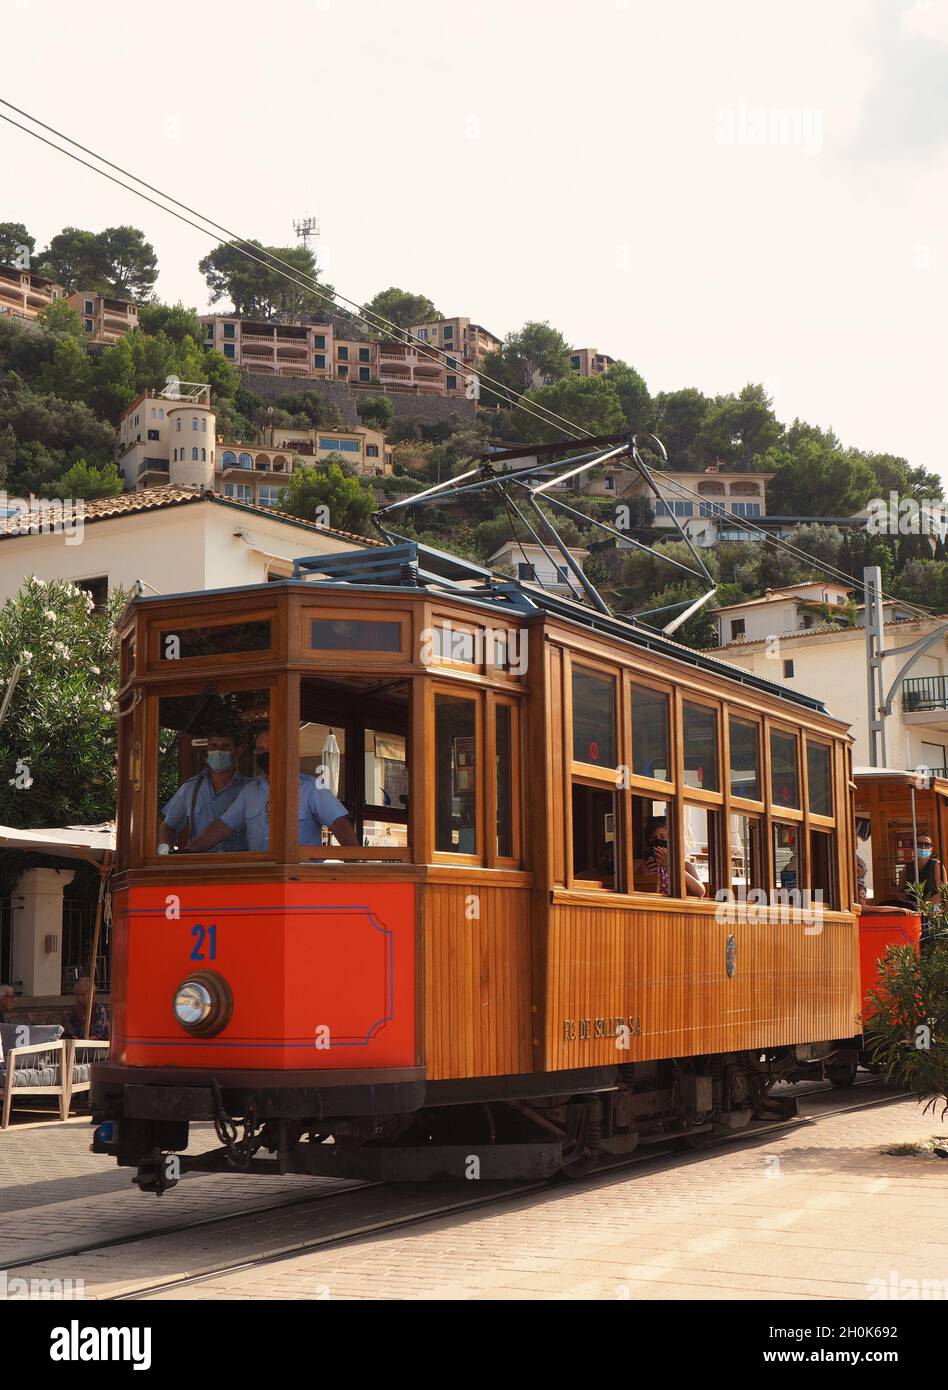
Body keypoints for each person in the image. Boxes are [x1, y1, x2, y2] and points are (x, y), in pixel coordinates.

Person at [186, 727, 358, 853]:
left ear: (285, 749)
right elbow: (223, 826)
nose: (265, 755)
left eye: (271, 749)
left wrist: (355, 868)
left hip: (301, 882)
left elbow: (341, 827)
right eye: (261, 750)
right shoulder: (250, 791)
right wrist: (189, 851)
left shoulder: (312, 788)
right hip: (262, 880)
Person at [158, 731, 249, 853]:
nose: (218, 751)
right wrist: (164, 852)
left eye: (225, 746)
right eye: (213, 746)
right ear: (207, 749)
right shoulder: (191, 788)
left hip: (238, 864)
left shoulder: (249, 789)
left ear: (238, 751)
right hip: (199, 863)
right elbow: (168, 826)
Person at [635, 816, 706, 897]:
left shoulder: (685, 865)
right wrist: (639, 874)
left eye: (663, 837)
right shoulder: (641, 865)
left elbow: (700, 891)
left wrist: (672, 866)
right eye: (653, 838)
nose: (658, 841)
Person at [902, 832, 946, 905]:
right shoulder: (907, 868)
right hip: (911, 909)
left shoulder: (937, 866)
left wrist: (923, 905)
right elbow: (899, 890)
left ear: (931, 849)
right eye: (919, 844)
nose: (923, 847)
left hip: (932, 909)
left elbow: (942, 892)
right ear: (913, 848)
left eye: (927, 844)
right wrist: (901, 897)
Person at [63, 977, 110, 1041]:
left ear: (91, 995)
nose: (79, 998)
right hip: (77, 1047)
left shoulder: (98, 1010)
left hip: (97, 1047)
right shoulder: (73, 1012)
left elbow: (98, 1034)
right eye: (77, 994)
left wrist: (84, 1042)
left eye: (83, 995)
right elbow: (69, 1033)